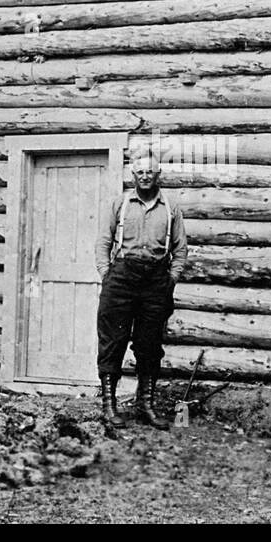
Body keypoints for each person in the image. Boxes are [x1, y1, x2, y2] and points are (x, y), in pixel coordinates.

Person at [94, 154, 187, 430]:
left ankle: (145, 405)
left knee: (149, 344)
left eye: (150, 172)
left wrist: (171, 279)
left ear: (158, 176)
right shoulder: (120, 203)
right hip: (121, 277)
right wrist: (105, 273)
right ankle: (108, 406)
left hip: (156, 280)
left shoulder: (171, 208)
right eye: (140, 172)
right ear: (132, 176)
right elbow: (103, 241)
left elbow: (180, 250)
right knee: (113, 340)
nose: (145, 176)